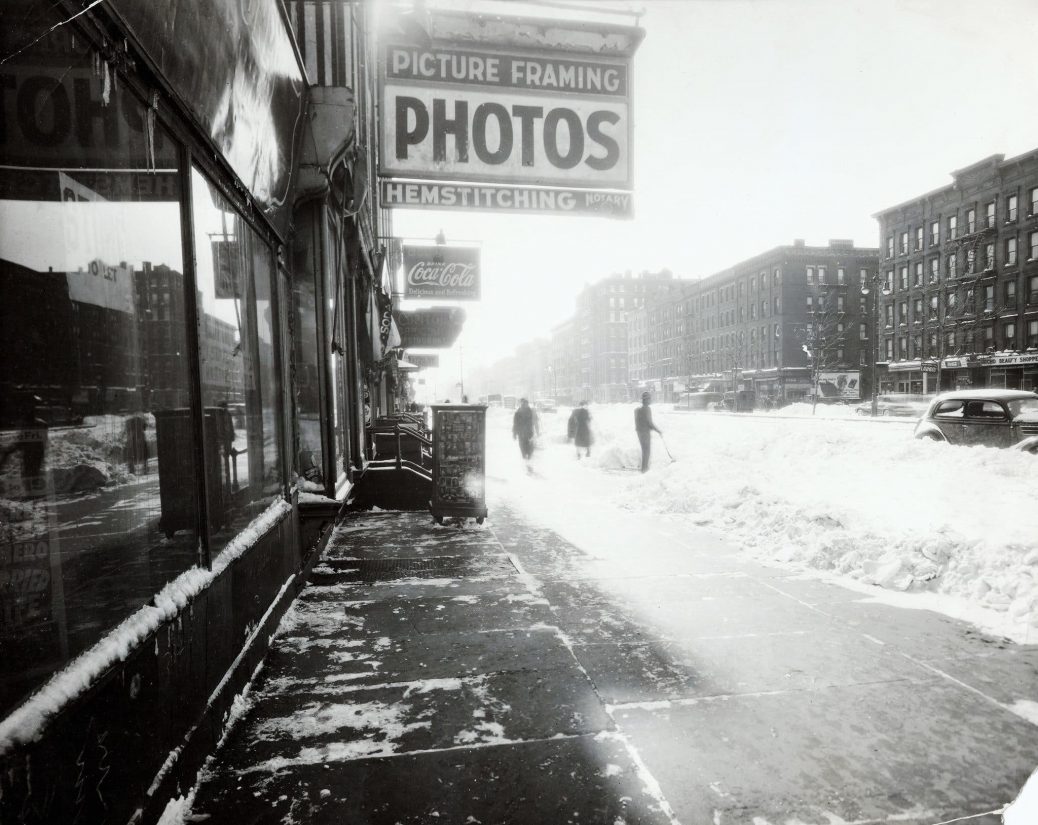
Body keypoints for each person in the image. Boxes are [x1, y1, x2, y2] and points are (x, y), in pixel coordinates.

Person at [634, 392, 661, 473]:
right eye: (649, 399)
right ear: (646, 400)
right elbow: (650, 423)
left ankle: (644, 468)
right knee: (647, 451)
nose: (650, 400)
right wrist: (658, 431)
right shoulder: (647, 409)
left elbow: (639, 423)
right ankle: (644, 469)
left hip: (639, 433)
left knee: (644, 451)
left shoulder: (638, 410)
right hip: (645, 433)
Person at [512, 397, 539, 463]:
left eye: (525, 403)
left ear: (527, 404)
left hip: (529, 433)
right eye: (523, 403)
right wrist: (514, 433)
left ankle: (528, 459)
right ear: (521, 404)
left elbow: (535, 421)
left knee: (529, 447)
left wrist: (537, 430)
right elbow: (515, 424)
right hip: (522, 433)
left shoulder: (531, 411)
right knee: (523, 448)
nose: (524, 404)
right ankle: (525, 460)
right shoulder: (518, 412)